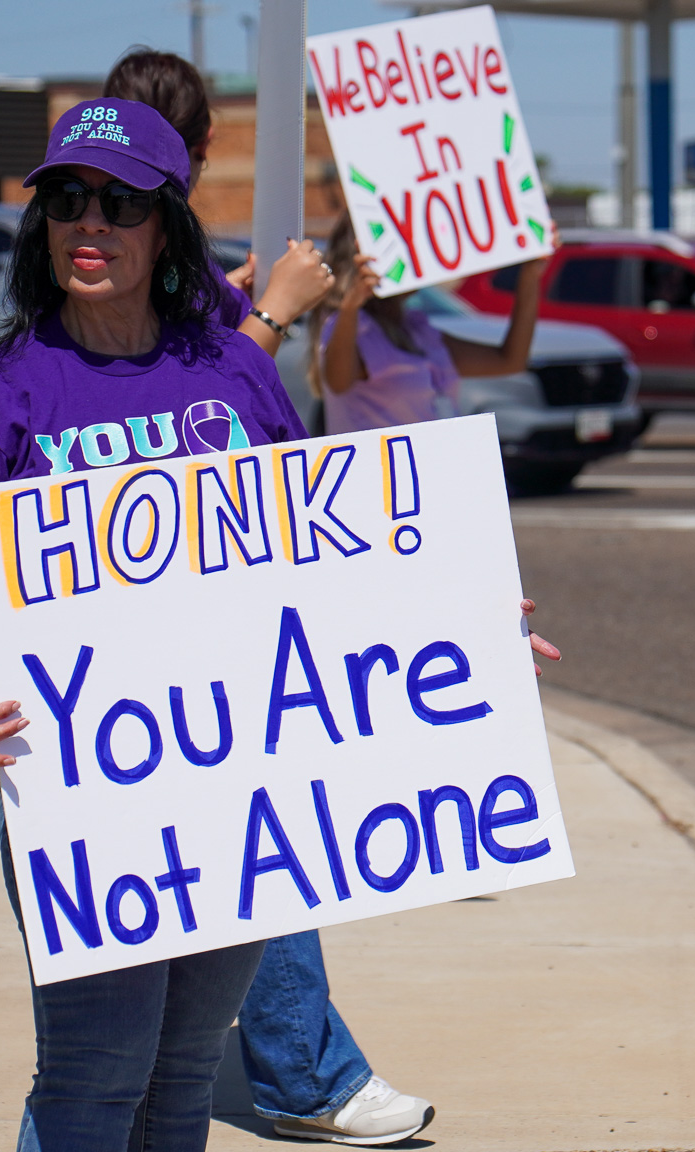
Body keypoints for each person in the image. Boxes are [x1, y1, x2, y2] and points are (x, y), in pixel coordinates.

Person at [0, 98, 307, 1152]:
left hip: (231, 782)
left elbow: (324, 554)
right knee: (92, 1082)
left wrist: (472, 622)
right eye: (66, 198)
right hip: (84, 790)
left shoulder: (232, 372)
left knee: (178, 1085)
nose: (89, 222)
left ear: (164, 225)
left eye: (118, 202)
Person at [102, 48, 436, 1147]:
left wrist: (235, 306)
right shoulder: (146, 264)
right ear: (194, 152)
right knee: (259, 840)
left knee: (240, 841)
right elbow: (190, 428)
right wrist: (272, 320)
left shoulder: (133, 261)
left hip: (166, 605)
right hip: (180, 605)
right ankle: (302, 1072)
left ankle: (268, 1065)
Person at [102, 47, 333, 360]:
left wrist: (222, 292)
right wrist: (279, 307)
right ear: (205, 141)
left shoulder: (108, 251)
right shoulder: (141, 255)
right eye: (68, 198)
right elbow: (214, 391)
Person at [314, 215, 548, 434]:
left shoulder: (418, 331)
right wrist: (351, 304)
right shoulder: (352, 327)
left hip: (432, 471)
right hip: (383, 474)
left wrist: (530, 275)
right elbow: (338, 383)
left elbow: (510, 361)